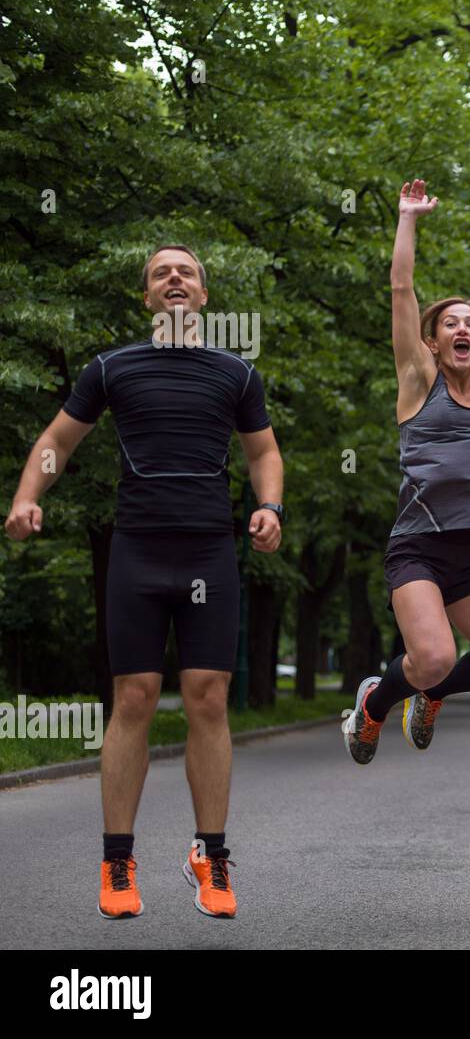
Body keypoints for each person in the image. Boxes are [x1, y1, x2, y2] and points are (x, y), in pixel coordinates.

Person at [5, 244, 284, 919]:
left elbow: (263, 451)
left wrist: (269, 505)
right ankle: (117, 860)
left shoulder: (234, 373)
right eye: (161, 273)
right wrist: (25, 496)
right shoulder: (112, 368)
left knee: (208, 698)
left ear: (205, 295)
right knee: (132, 698)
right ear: (147, 298)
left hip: (210, 550)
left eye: (186, 271)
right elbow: (58, 441)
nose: (175, 279)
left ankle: (211, 856)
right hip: (137, 550)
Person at [341, 181, 470, 764]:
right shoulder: (417, 382)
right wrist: (407, 218)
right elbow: (401, 288)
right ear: (432, 339)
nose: (463, 330)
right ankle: (375, 703)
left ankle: (432, 697)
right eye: (450, 322)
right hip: (418, 550)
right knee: (432, 657)